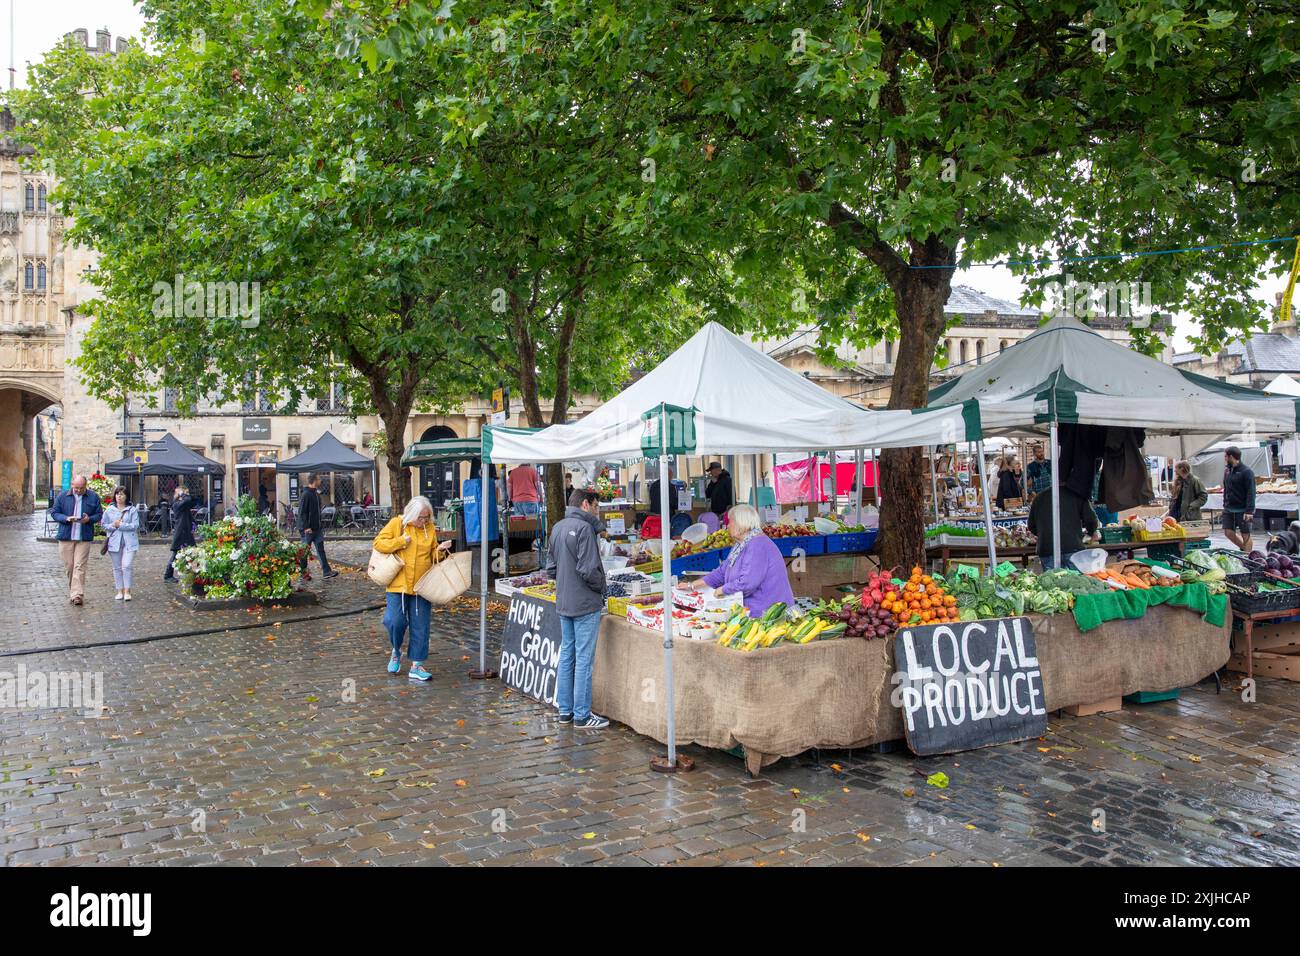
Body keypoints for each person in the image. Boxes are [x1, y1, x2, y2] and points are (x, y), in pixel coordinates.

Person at [546, 488, 609, 729]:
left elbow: (550, 569)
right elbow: (588, 569)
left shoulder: (558, 527)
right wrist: (601, 587)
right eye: (595, 507)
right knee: (583, 659)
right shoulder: (584, 529)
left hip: (564, 601)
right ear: (585, 504)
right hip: (584, 603)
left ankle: (565, 711)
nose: (597, 511)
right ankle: (582, 715)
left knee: (567, 657)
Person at [372, 495, 453, 681]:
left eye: (427, 517)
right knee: (394, 621)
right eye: (420, 517)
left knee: (421, 626)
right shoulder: (397, 524)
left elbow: (432, 554)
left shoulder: (430, 528)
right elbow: (378, 543)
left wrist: (439, 551)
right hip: (398, 585)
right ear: (411, 514)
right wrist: (400, 541)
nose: (423, 521)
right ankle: (396, 649)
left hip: (422, 584)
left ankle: (417, 665)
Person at [691, 503, 795, 616]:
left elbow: (748, 583)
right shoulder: (741, 544)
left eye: (731, 522)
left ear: (742, 524)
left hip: (768, 614)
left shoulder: (757, 545)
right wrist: (693, 585)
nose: (728, 526)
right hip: (752, 611)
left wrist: (723, 590)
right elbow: (722, 571)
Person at [51, 474, 103, 605]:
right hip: (66, 536)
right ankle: (73, 591)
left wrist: (89, 519)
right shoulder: (62, 497)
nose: (79, 490)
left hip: (83, 537)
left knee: (79, 566)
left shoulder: (93, 496)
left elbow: (99, 514)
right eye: (76, 488)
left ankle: (77, 595)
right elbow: (54, 512)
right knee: (69, 566)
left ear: (86, 486)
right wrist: (66, 518)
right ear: (72, 485)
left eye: (82, 488)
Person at [1028, 484, 1099, 569]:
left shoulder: (1039, 497)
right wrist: (1090, 532)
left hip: (1047, 548)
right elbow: (1091, 520)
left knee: (1052, 581)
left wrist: (1044, 534)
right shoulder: (1077, 495)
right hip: (1072, 547)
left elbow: (1031, 525)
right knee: (1074, 580)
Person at [101, 485, 140, 601]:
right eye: (117, 494)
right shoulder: (109, 510)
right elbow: (104, 525)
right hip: (114, 541)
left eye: (122, 494)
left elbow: (135, 525)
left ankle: (127, 591)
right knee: (117, 567)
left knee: (126, 565)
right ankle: (120, 590)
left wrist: (121, 525)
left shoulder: (132, 510)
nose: (119, 496)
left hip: (130, 542)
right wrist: (113, 525)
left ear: (126, 496)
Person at [296, 472, 337, 581]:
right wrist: (305, 527)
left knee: (320, 549)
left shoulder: (316, 494)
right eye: (319, 479)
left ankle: (326, 571)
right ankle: (303, 573)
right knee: (305, 551)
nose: (320, 481)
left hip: (317, 528)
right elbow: (302, 512)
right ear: (314, 481)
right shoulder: (306, 494)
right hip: (308, 529)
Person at [1222, 446, 1256, 553]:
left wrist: (1249, 510)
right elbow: (1226, 489)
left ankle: (1247, 556)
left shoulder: (1247, 472)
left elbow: (1251, 492)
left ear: (1231, 457)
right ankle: (1245, 550)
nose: (1225, 458)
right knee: (1228, 532)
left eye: (1226, 456)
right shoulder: (1227, 471)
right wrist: (1225, 503)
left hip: (1244, 510)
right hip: (1228, 509)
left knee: (1246, 534)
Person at [163, 484, 198, 582]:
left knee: (194, 553)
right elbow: (187, 500)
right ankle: (167, 575)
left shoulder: (184, 503)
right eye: (185, 493)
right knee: (176, 554)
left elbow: (193, 500)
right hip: (180, 532)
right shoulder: (177, 503)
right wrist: (182, 493)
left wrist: (186, 494)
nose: (187, 495)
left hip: (187, 532)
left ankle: (195, 573)